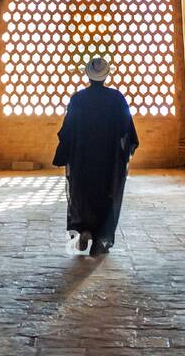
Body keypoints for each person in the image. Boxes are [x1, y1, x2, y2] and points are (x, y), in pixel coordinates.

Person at [52, 56, 139, 255]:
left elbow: (67, 131)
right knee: (107, 196)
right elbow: (128, 131)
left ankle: (84, 229)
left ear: (88, 75)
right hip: (108, 160)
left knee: (83, 194)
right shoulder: (117, 99)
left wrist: (65, 152)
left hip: (82, 159)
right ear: (106, 76)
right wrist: (124, 153)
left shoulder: (78, 99)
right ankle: (101, 239)